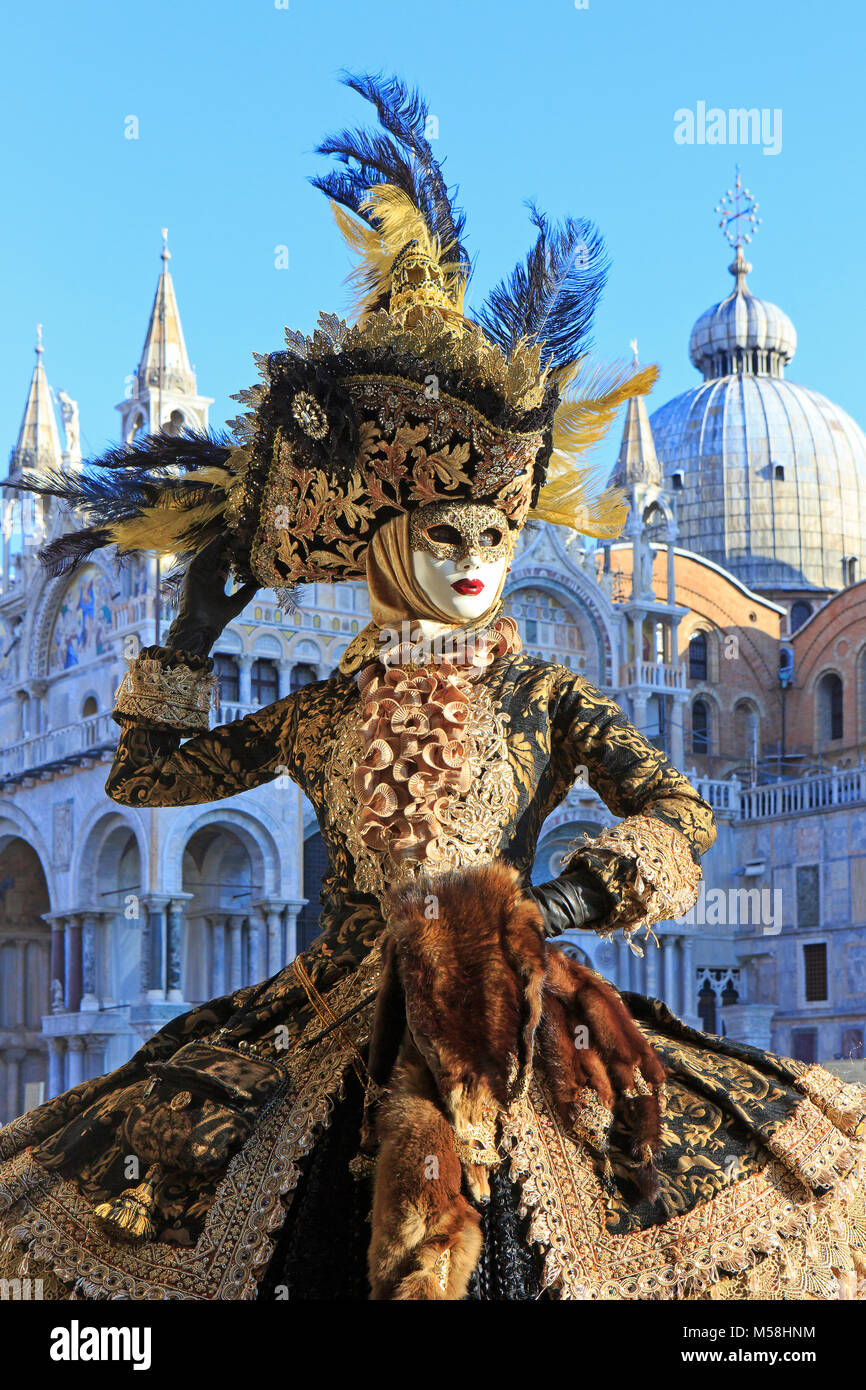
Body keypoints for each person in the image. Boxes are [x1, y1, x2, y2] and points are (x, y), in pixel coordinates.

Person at [1, 74, 863, 1301]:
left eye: (489, 543)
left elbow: (679, 810)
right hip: (328, 1036)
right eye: (441, 539)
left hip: (514, 1018)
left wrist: (558, 904)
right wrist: (188, 638)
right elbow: (146, 775)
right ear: (389, 549)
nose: (470, 567)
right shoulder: (321, 706)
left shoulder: (546, 701)